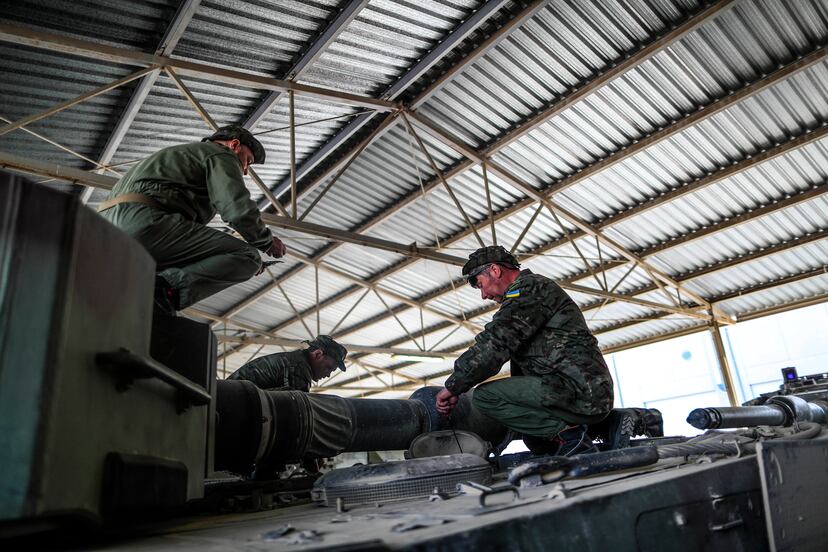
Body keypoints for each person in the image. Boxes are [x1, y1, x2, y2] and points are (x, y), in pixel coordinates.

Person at [435, 246, 614, 456]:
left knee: (485, 397)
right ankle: (586, 434)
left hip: (582, 393)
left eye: (481, 285)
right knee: (535, 440)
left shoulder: (530, 289)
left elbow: (496, 343)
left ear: (494, 270)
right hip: (580, 391)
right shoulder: (530, 291)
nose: (484, 295)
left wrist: (455, 385)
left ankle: (573, 438)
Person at [98, 125, 286, 314]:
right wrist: (267, 242)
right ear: (235, 145)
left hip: (103, 232)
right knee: (248, 257)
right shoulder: (220, 155)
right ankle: (161, 292)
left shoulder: (178, 154)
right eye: (248, 161)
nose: (245, 170)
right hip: (145, 224)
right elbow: (236, 210)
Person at [228, 335, 347, 392]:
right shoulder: (297, 367)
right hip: (230, 404)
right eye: (329, 368)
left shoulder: (294, 361)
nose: (328, 375)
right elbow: (300, 409)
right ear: (317, 354)